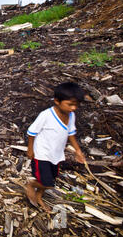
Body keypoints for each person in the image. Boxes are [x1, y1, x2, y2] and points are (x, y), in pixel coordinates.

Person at [25, 82, 86, 212]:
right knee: (47, 182)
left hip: (56, 155)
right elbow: (31, 132)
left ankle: (39, 197)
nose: (74, 108)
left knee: (51, 179)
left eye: (76, 105)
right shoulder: (46, 115)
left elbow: (71, 134)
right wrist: (30, 149)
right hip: (42, 154)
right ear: (57, 101)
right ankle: (30, 185)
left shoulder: (71, 115)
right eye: (70, 104)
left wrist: (78, 151)